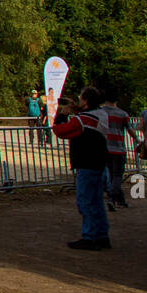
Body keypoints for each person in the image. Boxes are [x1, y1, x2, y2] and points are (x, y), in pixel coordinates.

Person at [52, 86, 112, 250]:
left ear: (85, 100)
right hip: (99, 161)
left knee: (85, 201)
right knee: (97, 201)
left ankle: (89, 236)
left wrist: (62, 114)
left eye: (81, 98)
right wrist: (78, 110)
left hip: (86, 162)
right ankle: (101, 236)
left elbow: (60, 130)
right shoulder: (101, 114)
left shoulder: (83, 120)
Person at [100, 91, 132, 210]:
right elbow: (130, 129)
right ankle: (112, 197)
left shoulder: (100, 112)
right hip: (118, 147)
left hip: (104, 148)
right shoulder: (122, 114)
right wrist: (138, 139)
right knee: (117, 175)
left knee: (110, 174)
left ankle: (120, 200)